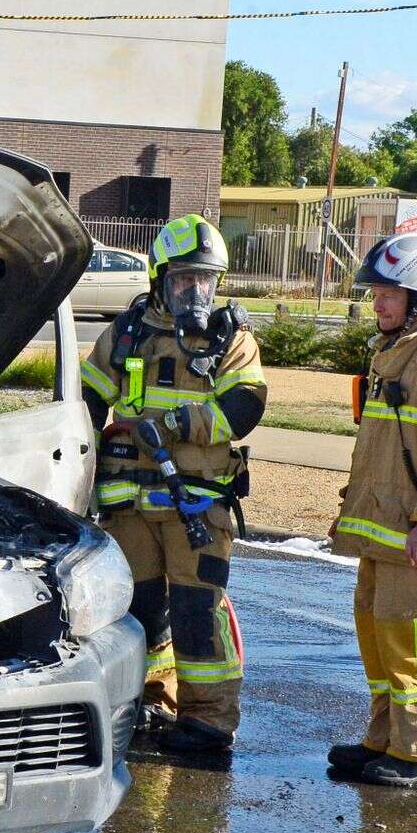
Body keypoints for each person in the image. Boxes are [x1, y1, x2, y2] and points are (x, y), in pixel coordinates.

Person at [80, 214, 266, 759]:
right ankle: (151, 702)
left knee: (198, 613)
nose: (195, 291)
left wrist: (180, 425)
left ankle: (209, 724)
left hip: (198, 506)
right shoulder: (127, 332)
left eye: (205, 281)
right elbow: (87, 403)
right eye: (185, 279)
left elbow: (244, 405)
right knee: (139, 613)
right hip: (129, 506)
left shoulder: (233, 338)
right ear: (160, 278)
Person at [328, 232, 417, 788]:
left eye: (391, 294)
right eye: (377, 294)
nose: (379, 303)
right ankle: (383, 738)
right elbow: (378, 451)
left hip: (411, 538)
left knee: (405, 640)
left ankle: (416, 750)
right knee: (373, 635)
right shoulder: (390, 354)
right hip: (379, 531)